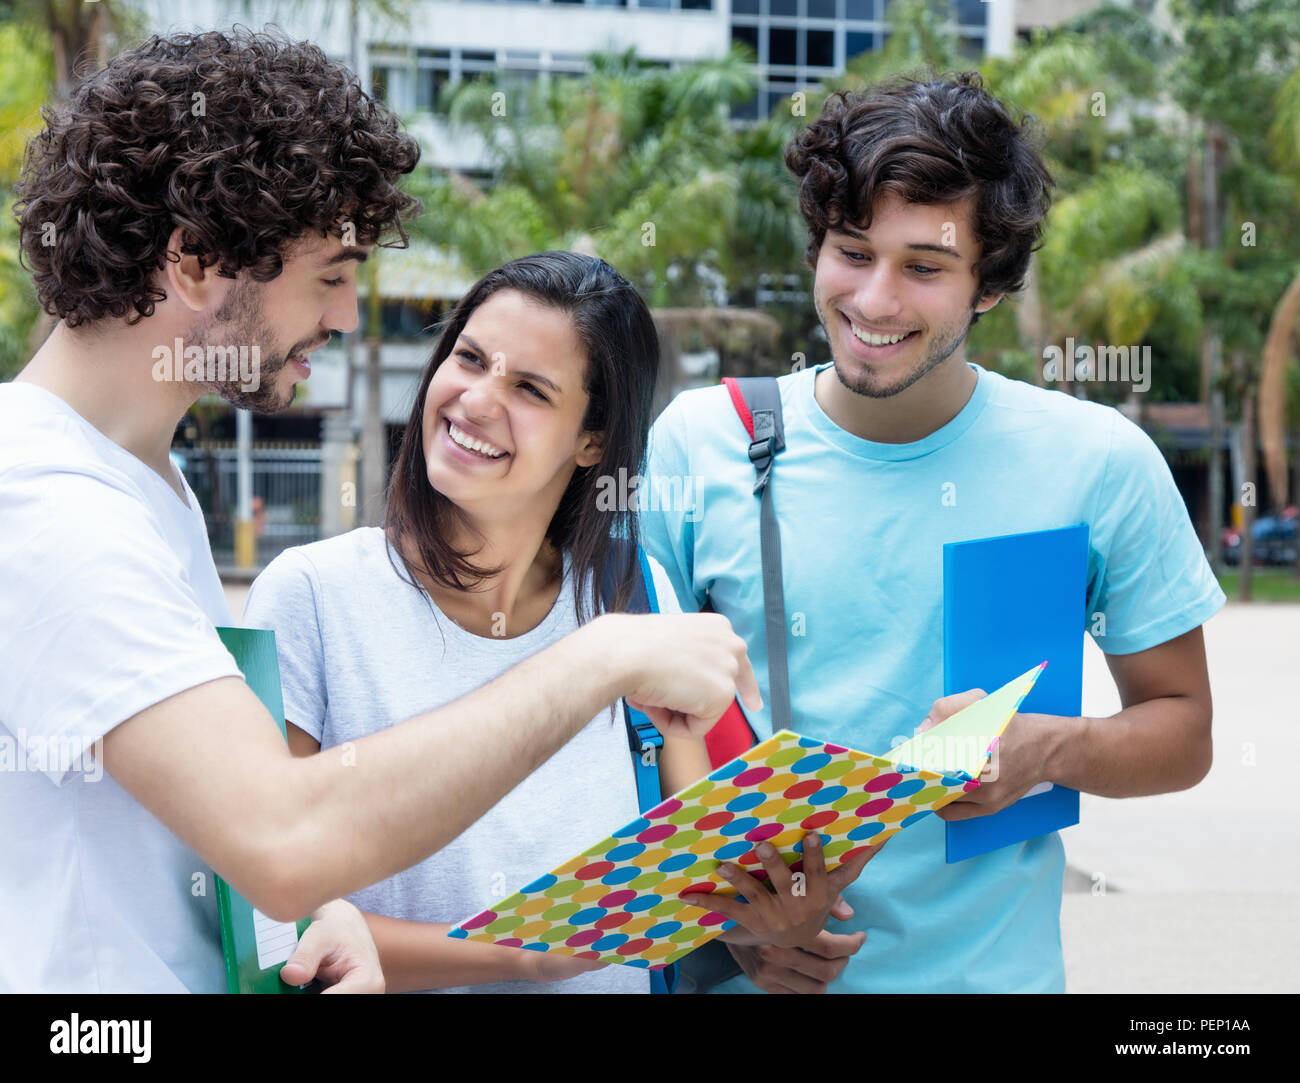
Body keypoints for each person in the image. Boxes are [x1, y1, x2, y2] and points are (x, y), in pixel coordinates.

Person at [0, 28, 758, 994]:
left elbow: (224, 871)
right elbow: (284, 832)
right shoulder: (44, 503)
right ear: (196, 264)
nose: (350, 317)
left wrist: (332, 932)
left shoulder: (144, 490)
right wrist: (600, 655)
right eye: (330, 274)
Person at [640, 72, 1224, 994]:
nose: (874, 300)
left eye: (923, 266)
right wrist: (736, 928)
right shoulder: (695, 442)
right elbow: (630, 738)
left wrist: (1047, 748)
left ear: (987, 284)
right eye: (851, 251)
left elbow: (1183, 730)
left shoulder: (1097, 462)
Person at [242, 251, 884, 993]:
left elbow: (695, 885)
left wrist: (777, 912)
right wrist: (524, 953)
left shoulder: (633, 594)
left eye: (530, 389)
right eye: (471, 358)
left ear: (592, 442)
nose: (477, 400)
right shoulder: (312, 595)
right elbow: (274, 913)